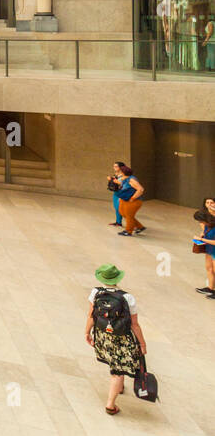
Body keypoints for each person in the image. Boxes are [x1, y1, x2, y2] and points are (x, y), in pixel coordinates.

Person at [86, 264, 147, 415]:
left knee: (114, 363)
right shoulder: (127, 298)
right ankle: (110, 405)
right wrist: (142, 343)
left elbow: (91, 316)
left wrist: (87, 332)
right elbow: (134, 324)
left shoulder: (95, 293)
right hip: (121, 337)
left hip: (102, 334)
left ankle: (119, 387)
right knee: (118, 371)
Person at [115, 164, 146, 237]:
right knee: (122, 213)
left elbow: (141, 189)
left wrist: (133, 198)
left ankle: (128, 231)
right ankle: (140, 227)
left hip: (133, 201)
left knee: (129, 216)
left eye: (120, 171)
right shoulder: (124, 178)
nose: (119, 172)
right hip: (124, 199)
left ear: (123, 172)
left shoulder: (131, 179)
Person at [193, 200, 215, 297]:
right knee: (209, 269)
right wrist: (202, 236)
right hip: (210, 249)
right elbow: (206, 234)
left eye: (201, 221)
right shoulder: (207, 225)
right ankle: (210, 288)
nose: (200, 223)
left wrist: (202, 239)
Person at [106, 161, 130, 227]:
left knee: (121, 209)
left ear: (121, 167)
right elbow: (115, 183)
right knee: (116, 208)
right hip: (116, 193)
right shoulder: (116, 174)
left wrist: (111, 180)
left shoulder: (124, 174)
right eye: (114, 166)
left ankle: (133, 223)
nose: (114, 168)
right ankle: (118, 222)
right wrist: (111, 180)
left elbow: (124, 184)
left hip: (122, 193)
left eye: (116, 166)